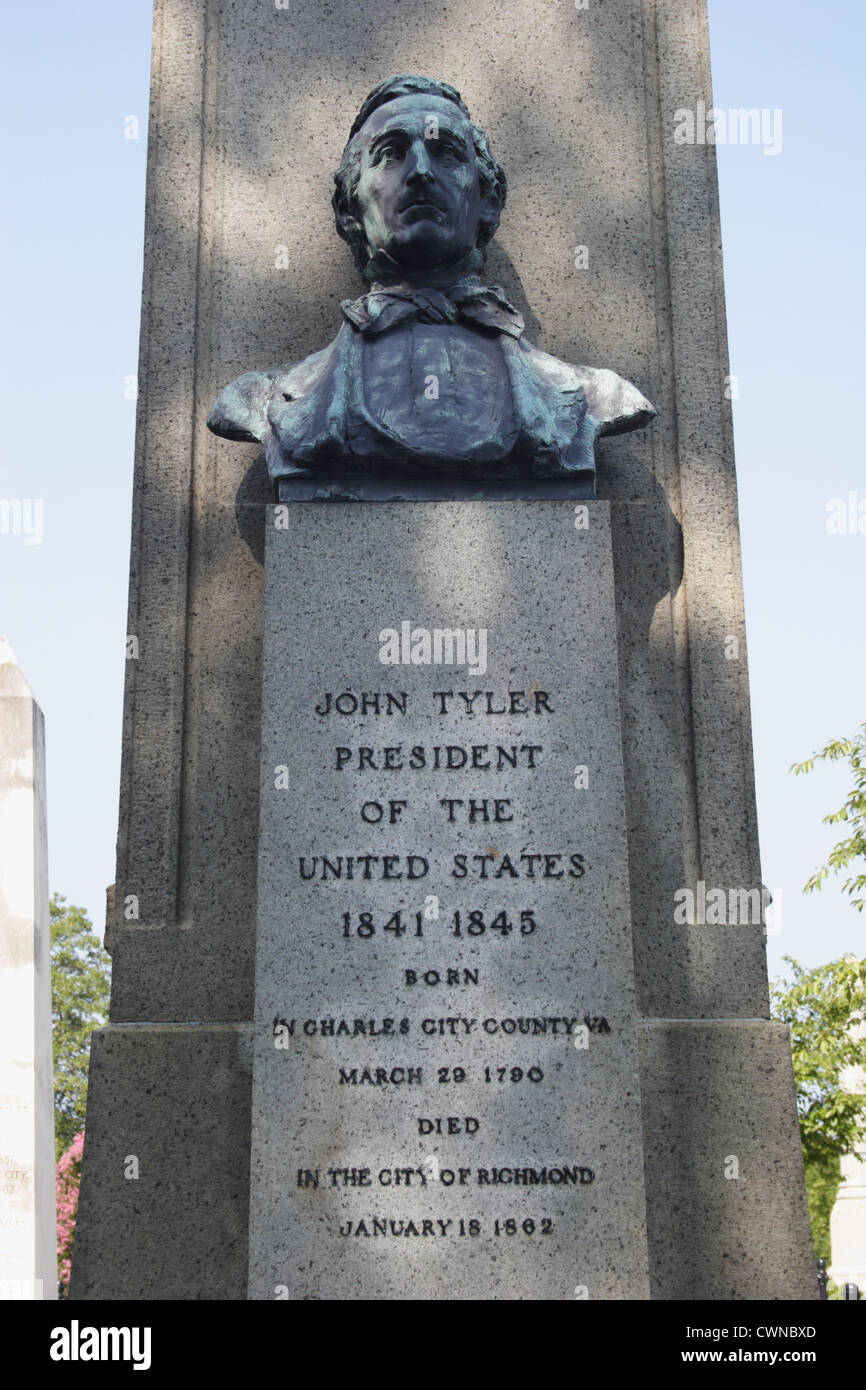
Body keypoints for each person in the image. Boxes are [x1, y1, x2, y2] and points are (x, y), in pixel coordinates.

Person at [208, 75, 655, 489]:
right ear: (349, 209)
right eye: (390, 154)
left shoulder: (597, 398)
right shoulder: (261, 402)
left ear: (488, 201)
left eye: (445, 153)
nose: (420, 172)